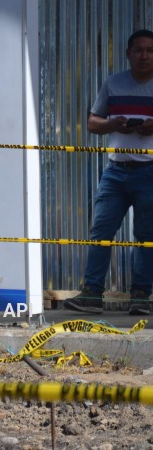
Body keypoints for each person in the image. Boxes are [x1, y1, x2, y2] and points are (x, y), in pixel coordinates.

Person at [64, 29, 153, 316]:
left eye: (150, 50)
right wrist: (115, 124)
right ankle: (91, 294)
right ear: (128, 54)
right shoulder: (113, 84)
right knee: (101, 231)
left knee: (146, 235)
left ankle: (141, 296)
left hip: (149, 171)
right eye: (138, 50)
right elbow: (92, 122)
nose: (144, 55)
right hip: (115, 171)